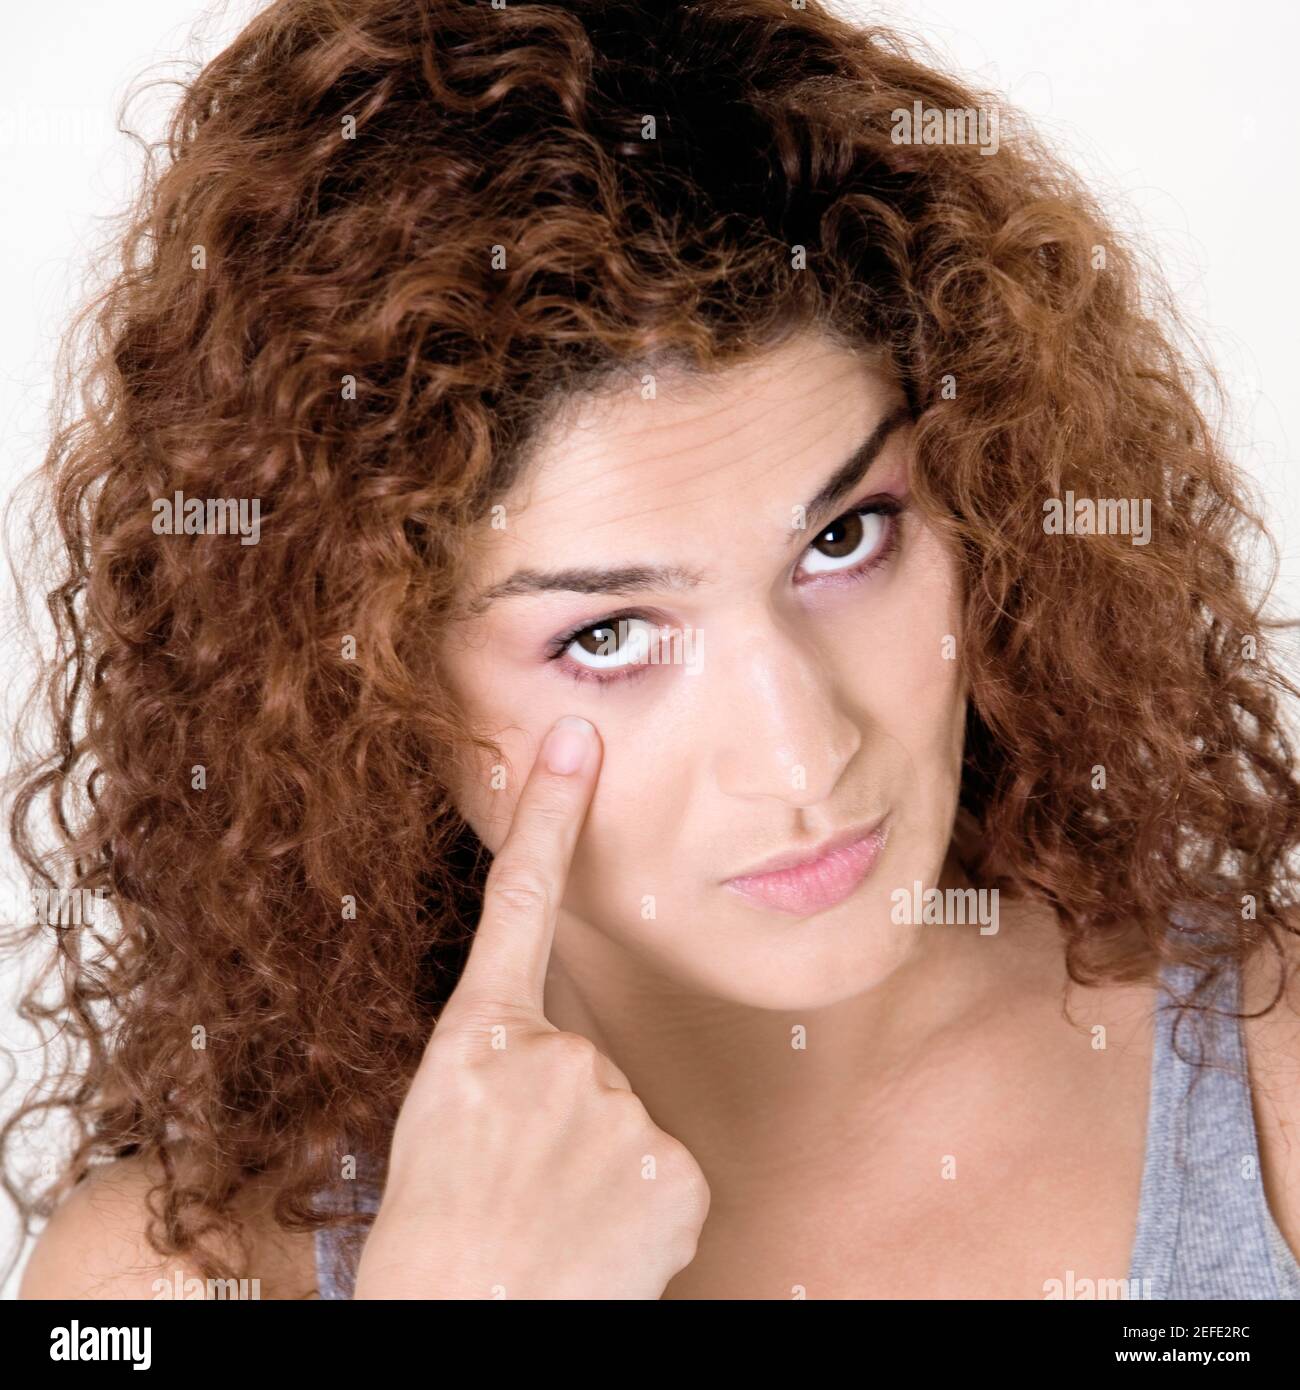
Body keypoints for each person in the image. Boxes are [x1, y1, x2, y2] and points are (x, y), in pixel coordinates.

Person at [8, 0, 1299, 1301]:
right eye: (609, 633)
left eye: (846, 539)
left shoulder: (1271, 1083)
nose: (804, 748)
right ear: (367, 688)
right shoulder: (162, 1286)